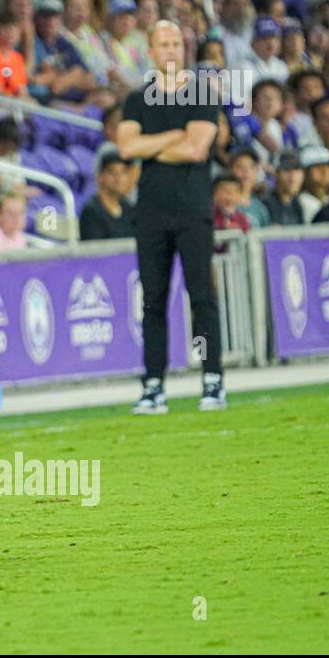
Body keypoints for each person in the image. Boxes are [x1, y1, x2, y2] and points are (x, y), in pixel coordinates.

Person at [116, 20, 224, 414]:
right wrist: (174, 137)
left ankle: (212, 379)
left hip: (194, 210)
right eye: (164, 43)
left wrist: (151, 146)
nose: (172, 50)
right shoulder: (137, 99)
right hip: (151, 212)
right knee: (153, 301)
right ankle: (154, 385)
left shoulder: (201, 93)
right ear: (151, 51)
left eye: (177, 43)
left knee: (202, 297)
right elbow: (126, 147)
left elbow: (197, 149)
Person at [80, 153, 136, 240]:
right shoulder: (92, 211)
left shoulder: (127, 207)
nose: (119, 178)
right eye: (112, 172)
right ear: (100, 177)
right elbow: (93, 250)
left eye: (124, 172)